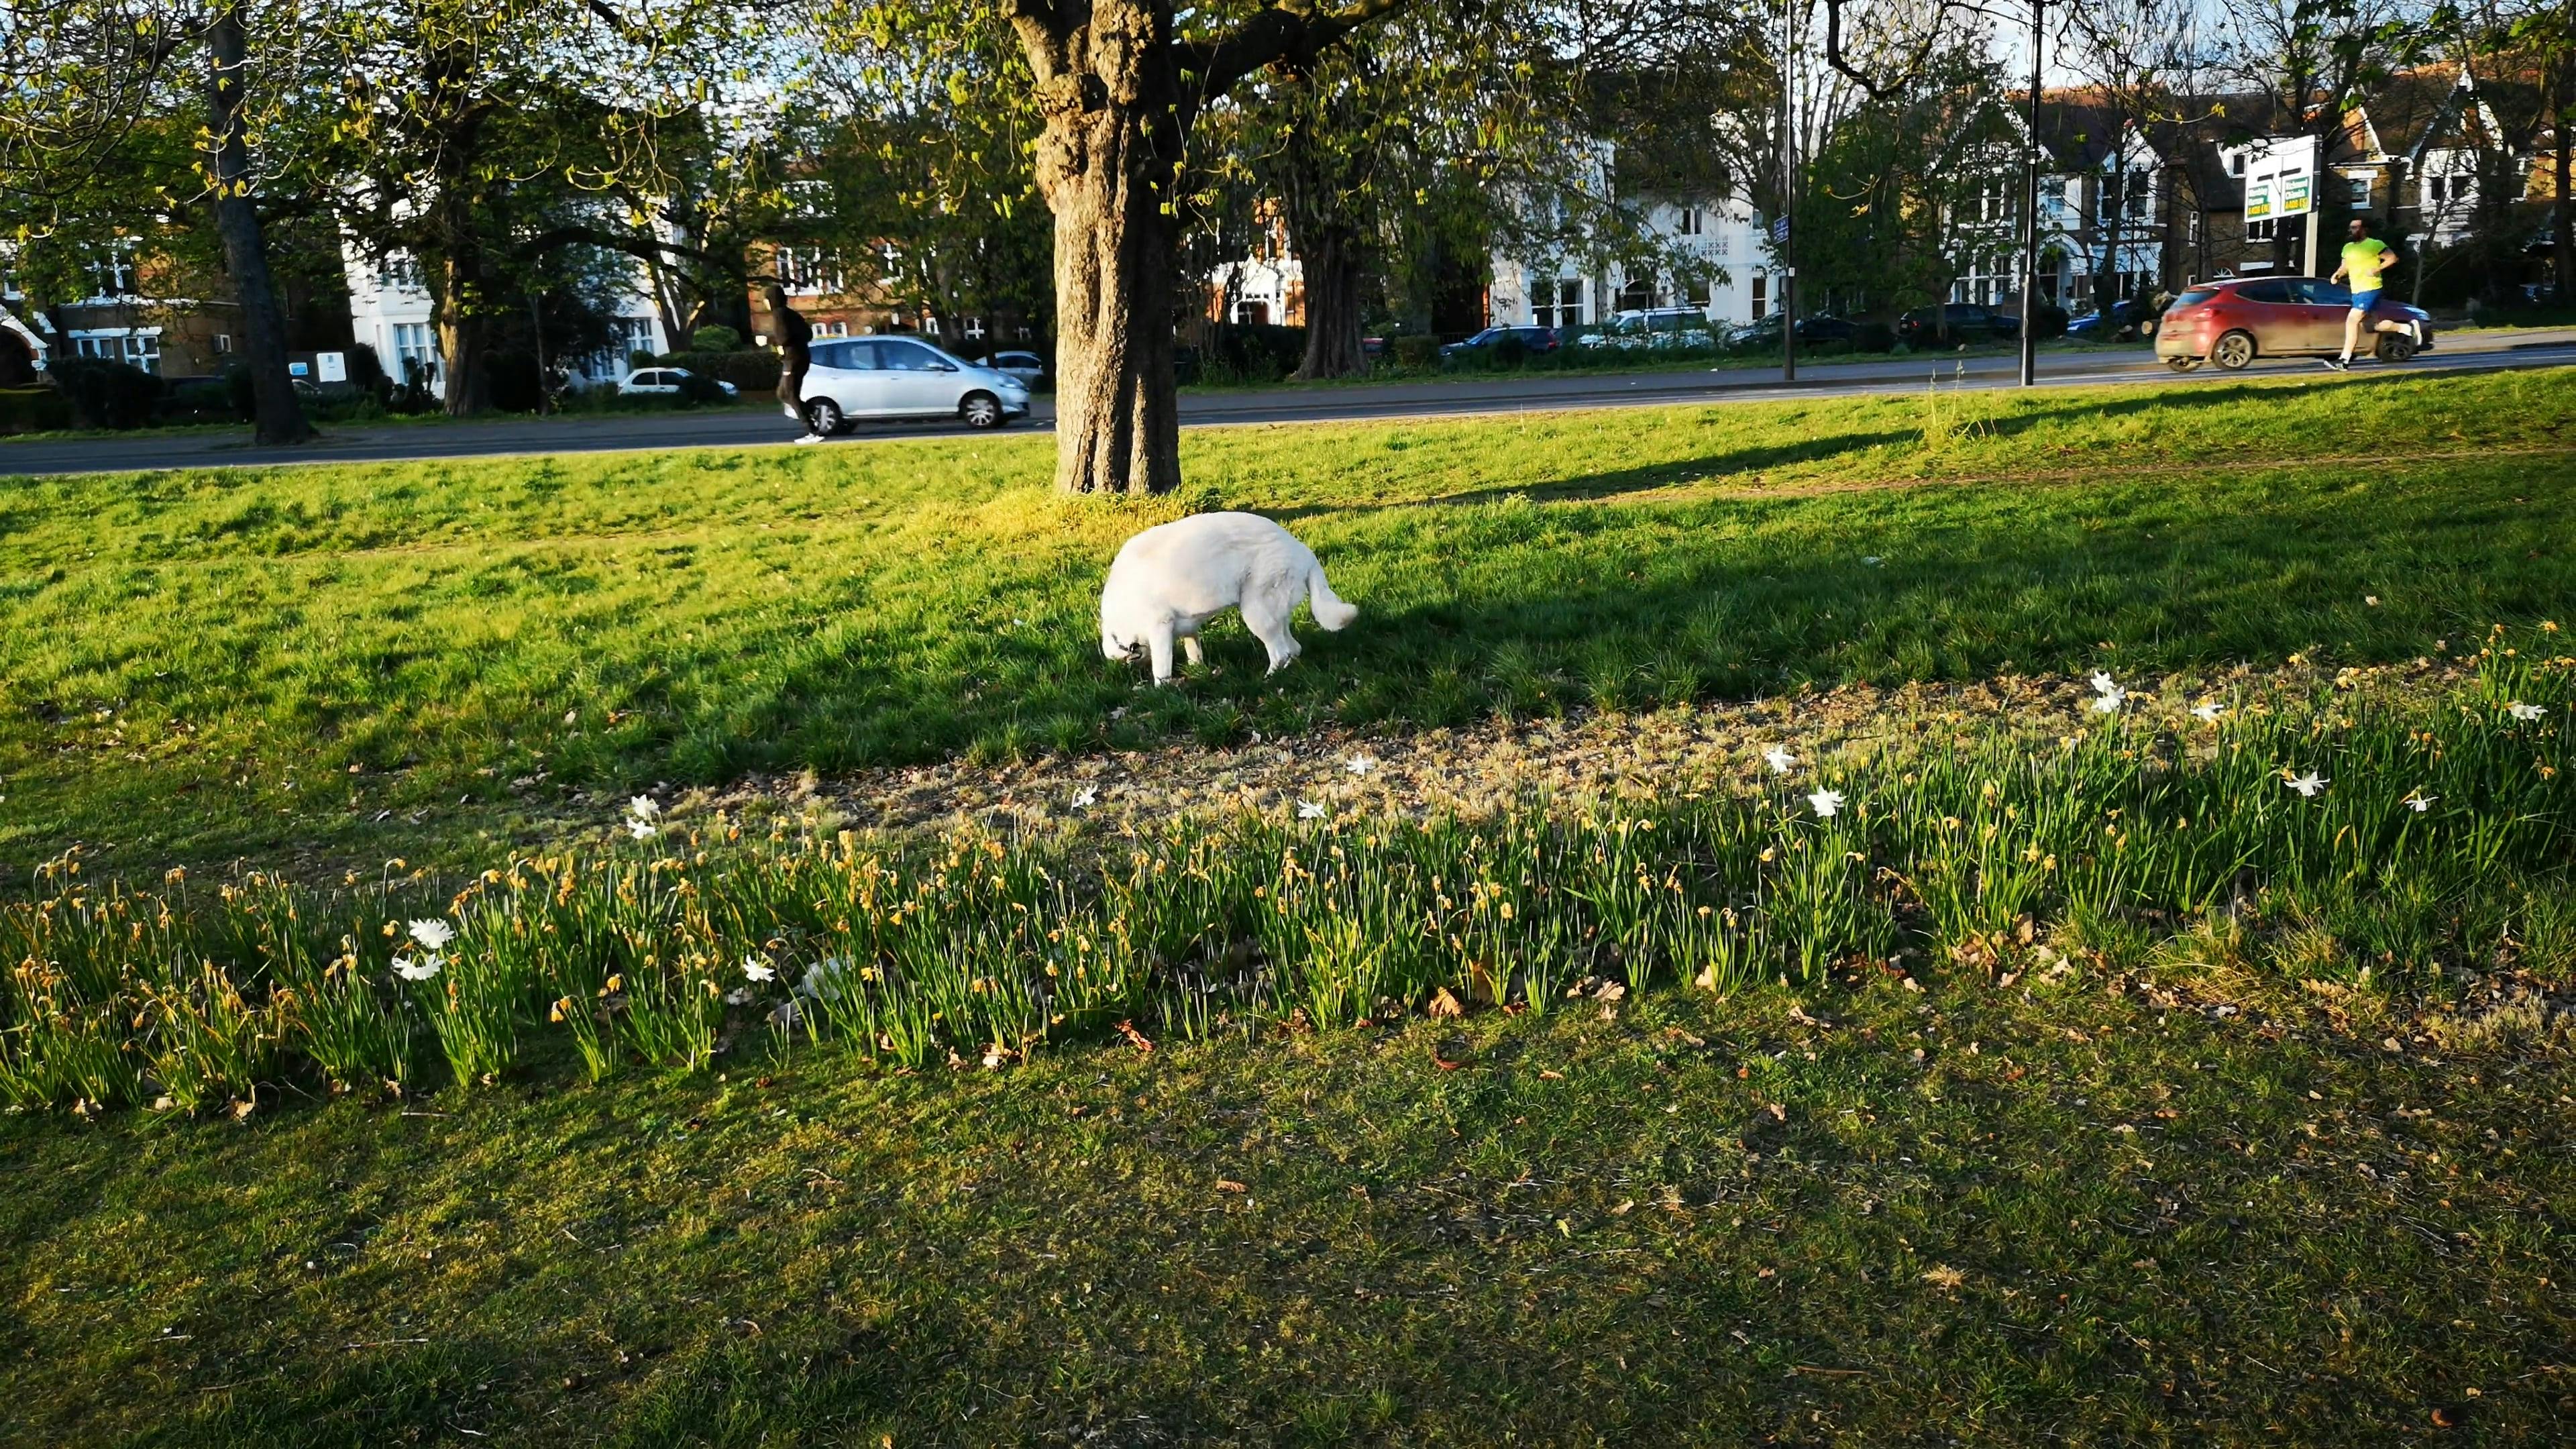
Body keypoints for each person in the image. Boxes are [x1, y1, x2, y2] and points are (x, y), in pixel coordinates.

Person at [2322, 217, 2420, 371]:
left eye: (2356, 227)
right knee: (2372, 326)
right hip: (2357, 290)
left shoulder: (2375, 244)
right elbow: (2345, 267)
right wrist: (2337, 275)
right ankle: (2405, 328)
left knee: (2352, 321)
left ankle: (2344, 360)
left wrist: (2377, 269)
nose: (2352, 230)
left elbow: (2392, 258)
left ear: (2365, 229)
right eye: (2351, 227)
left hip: (2371, 288)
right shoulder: (2348, 247)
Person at [765, 281, 821, 442]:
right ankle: (813, 410)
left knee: (790, 394)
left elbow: (783, 338)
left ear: (772, 300)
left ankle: (813, 431)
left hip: (793, 359)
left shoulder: (779, 315)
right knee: (782, 393)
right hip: (800, 357)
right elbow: (808, 334)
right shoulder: (791, 314)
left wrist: (768, 340)